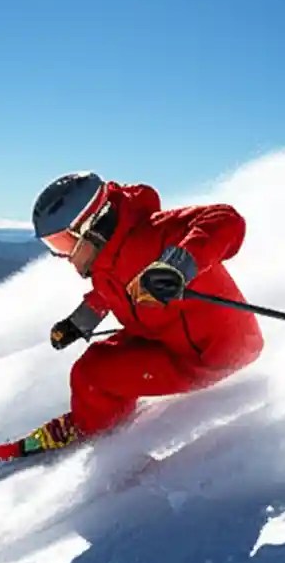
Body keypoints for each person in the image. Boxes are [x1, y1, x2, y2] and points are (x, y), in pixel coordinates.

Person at [24, 171, 265, 451]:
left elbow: (225, 219)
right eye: (53, 246)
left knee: (93, 377)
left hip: (211, 355)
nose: (61, 256)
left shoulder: (156, 233)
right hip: (162, 338)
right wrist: (79, 323)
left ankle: (95, 432)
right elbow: (108, 293)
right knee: (92, 366)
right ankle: (101, 417)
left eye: (62, 243)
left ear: (92, 225)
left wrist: (177, 265)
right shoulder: (105, 259)